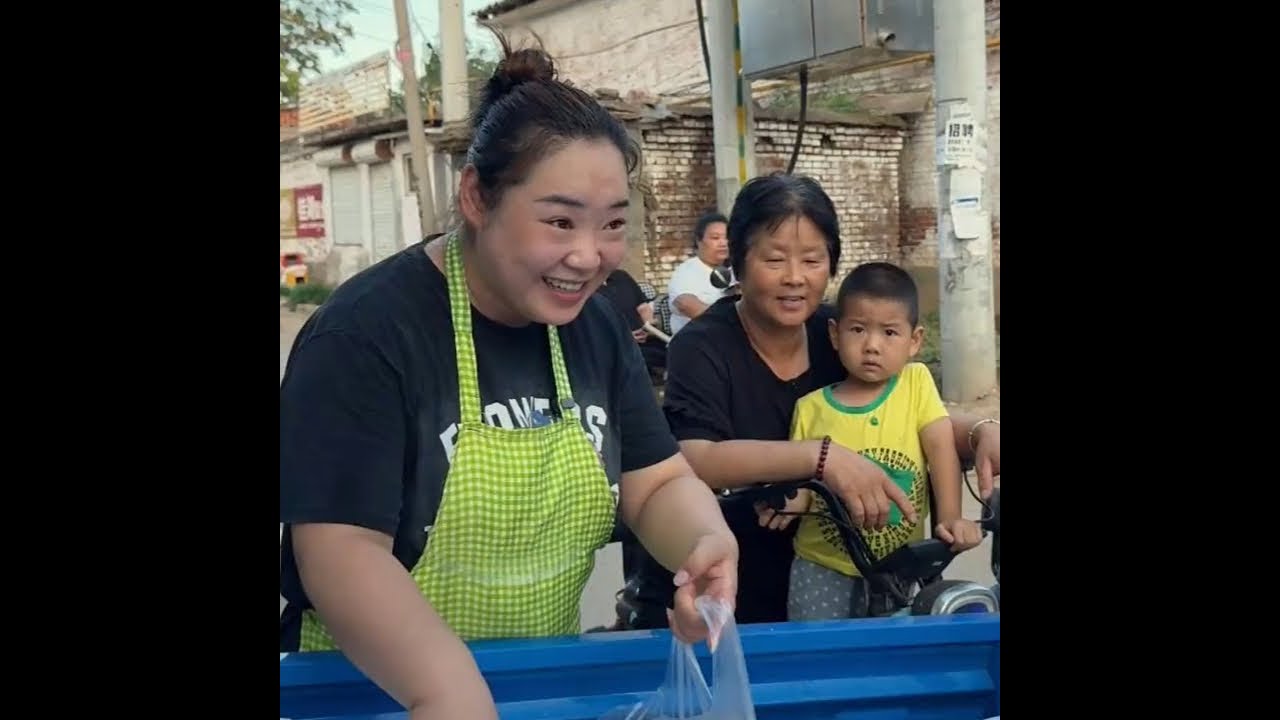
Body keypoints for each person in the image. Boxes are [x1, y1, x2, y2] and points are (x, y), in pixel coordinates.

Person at [278, 38, 739, 720]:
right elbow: (341, 550)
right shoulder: (369, 332)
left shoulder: (595, 327)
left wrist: (705, 542)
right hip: (374, 691)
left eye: (612, 225)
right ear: (475, 197)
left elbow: (658, 482)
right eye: (558, 221)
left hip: (537, 681)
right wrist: (446, 689)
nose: (588, 256)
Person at [622, 172, 1001, 628]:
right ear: (738, 263)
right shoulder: (703, 346)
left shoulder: (841, 333)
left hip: (848, 582)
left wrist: (981, 432)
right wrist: (822, 459)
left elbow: (911, 408)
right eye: (775, 259)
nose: (795, 278)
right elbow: (695, 457)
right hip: (726, 589)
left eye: (812, 259)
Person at [758, 262, 985, 620]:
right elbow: (803, 483)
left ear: (915, 341)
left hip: (903, 568)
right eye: (858, 330)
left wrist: (953, 517)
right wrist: (786, 504)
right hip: (822, 568)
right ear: (835, 334)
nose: (872, 346)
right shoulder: (810, 408)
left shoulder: (915, 384)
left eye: (890, 333)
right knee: (823, 662)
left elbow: (941, 448)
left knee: (898, 660)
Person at [666, 211, 733, 335]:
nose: (723, 243)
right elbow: (685, 304)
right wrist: (729, 325)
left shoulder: (735, 270)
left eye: (727, 237)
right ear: (699, 240)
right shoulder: (687, 271)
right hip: (698, 343)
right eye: (715, 238)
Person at [595, 267, 667, 375]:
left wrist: (649, 325)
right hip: (615, 345)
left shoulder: (621, 276)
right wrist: (624, 337)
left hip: (644, 339)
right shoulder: (586, 286)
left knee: (677, 351)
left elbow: (643, 307)